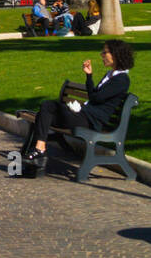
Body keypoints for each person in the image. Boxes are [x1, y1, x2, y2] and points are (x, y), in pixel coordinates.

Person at [22, 41, 134, 169]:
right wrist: (89, 76)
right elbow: (95, 95)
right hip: (84, 115)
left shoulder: (122, 79)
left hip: (91, 121)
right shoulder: (110, 75)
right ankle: (39, 149)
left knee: (46, 110)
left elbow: (96, 97)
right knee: (46, 109)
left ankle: (39, 152)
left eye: (104, 52)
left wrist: (89, 82)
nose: (101, 54)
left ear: (116, 54)